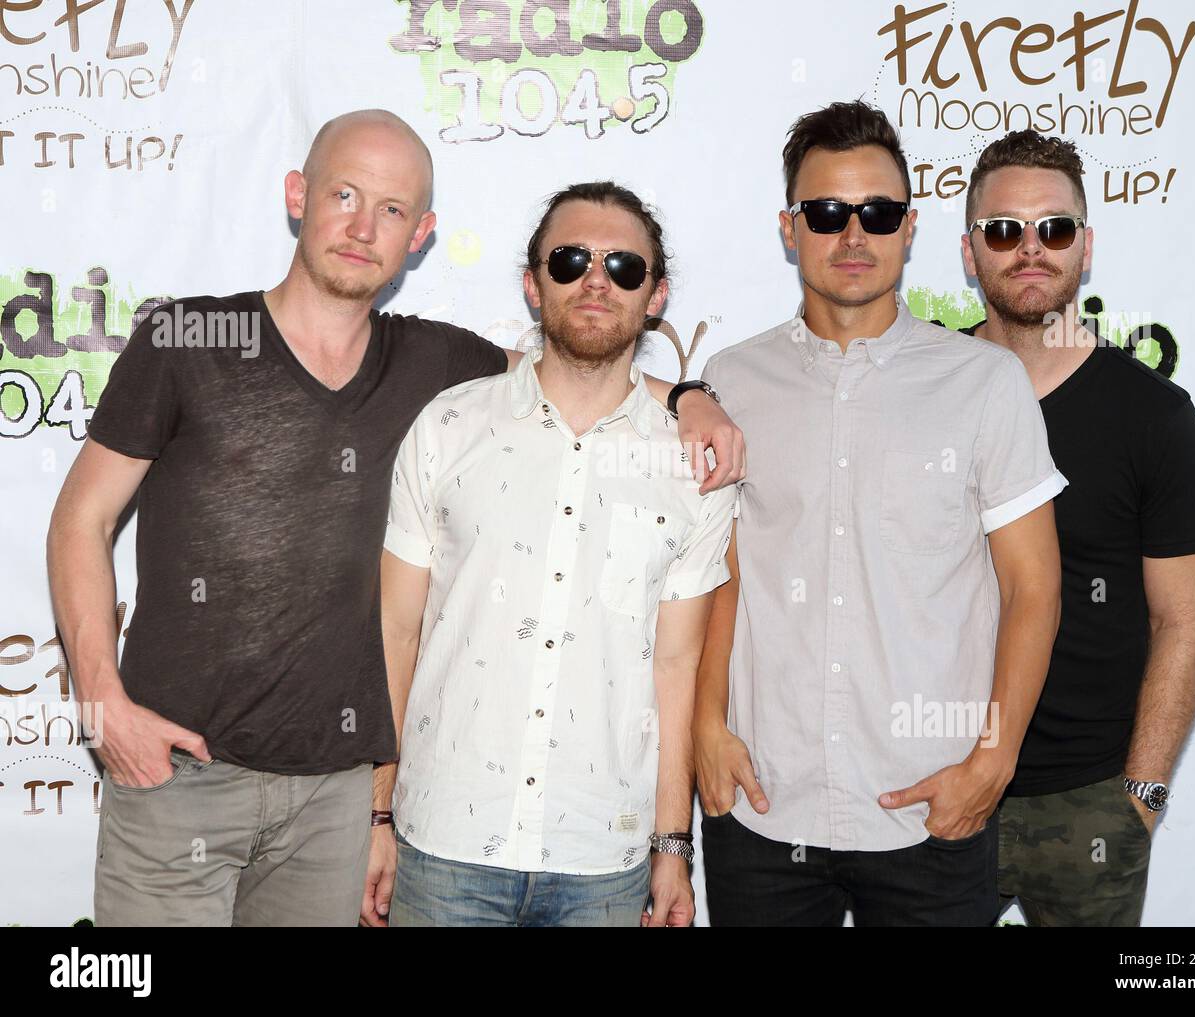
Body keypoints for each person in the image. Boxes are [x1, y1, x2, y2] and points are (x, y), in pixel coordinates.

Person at [47, 109, 742, 927]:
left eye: (392, 209)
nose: (361, 225)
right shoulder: (187, 337)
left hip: (334, 803)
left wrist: (696, 400)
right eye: (344, 193)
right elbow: (78, 523)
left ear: (421, 235)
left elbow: (580, 365)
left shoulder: (437, 366)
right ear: (297, 195)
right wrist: (102, 705)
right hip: (176, 776)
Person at [693, 100, 1065, 926]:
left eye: (878, 212)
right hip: (763, 806)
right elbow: (717, 572)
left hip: (933, 812)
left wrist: (993, 760)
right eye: (827, 213)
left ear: (910, 227)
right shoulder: (731, 378)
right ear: (790, 229)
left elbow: (1033, 587)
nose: (853, 234)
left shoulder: (983, 382)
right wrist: (704, 729)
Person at [372, 182, 736, 927]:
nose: (596, 280)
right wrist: (375, 816)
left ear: (655, 294)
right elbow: (395, 635)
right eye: (570, 260)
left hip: (604, 855)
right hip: (442, 844)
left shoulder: (693, 461)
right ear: (534, 286)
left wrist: (674, 846)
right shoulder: (448, 426)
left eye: (624, 267)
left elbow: (676, 668)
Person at [957, 130, 1195, 926]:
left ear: (1087, 247)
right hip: (933, 787)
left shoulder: (1155, 416)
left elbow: (1183, 621)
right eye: (1003, 230)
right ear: (970, 253)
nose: (1030, 249)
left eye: (1055, 229)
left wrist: (1138, 797)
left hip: (1089, 803)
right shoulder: (926, 393)